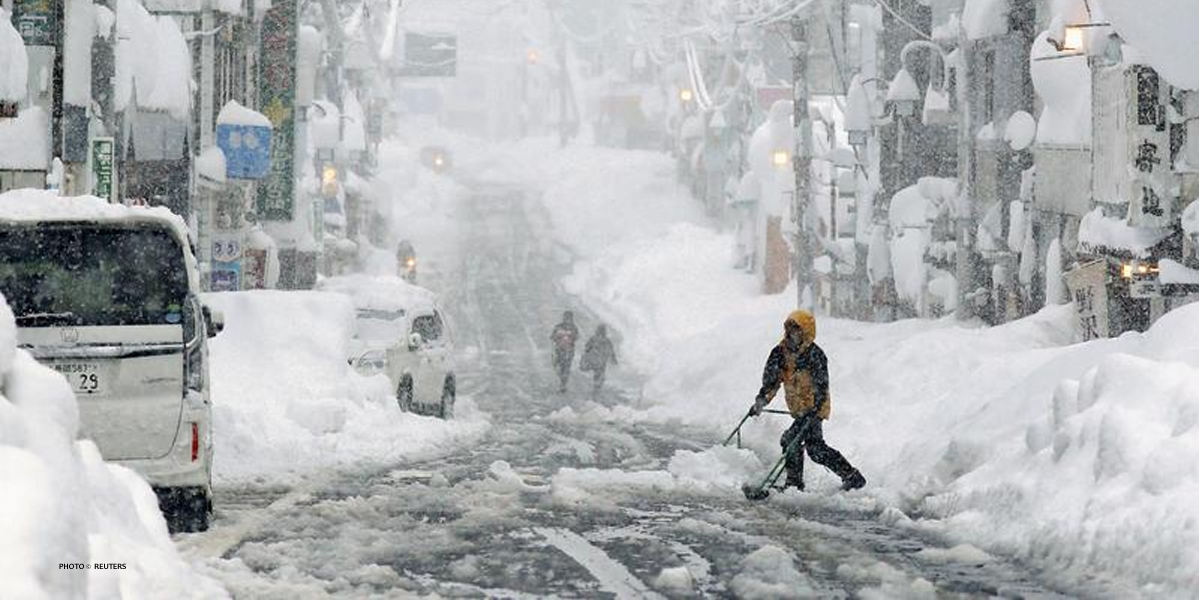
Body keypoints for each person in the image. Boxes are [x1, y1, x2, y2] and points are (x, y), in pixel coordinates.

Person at [751, 310, 865, 492]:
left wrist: (815, 409)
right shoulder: (780, 353)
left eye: (796, 329)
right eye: (789, 329)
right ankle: (851, 476)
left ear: (805, 331)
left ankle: (794, 485)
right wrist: (761, 401)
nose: (791, 334)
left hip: (814, 408)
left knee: (791, 440)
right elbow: (771, 382)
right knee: (816, 450)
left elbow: (822, 386)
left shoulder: (815, 355)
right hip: (800, 410)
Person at [580, 324, 618, 393]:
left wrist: (586, 356)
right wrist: (613, 359)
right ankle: (597, 387)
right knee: (599, 374)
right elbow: (611, 351)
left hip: (596, 360)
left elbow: (587, 348)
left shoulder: (594, 339)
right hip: (601, 361)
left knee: (597, 373)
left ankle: (596, 387)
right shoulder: (606, 340)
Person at [549, 311, 579, 392]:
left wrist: (566, 338)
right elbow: (552, 337)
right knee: (559, 366)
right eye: (566, 318)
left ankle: (563, 384)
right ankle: (563, 380)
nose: (567, 320)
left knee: (565, 367)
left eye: (569, 318)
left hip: (568, 351)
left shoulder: (573, 327)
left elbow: (576, 337)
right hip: (560, 350)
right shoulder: (560, 326)